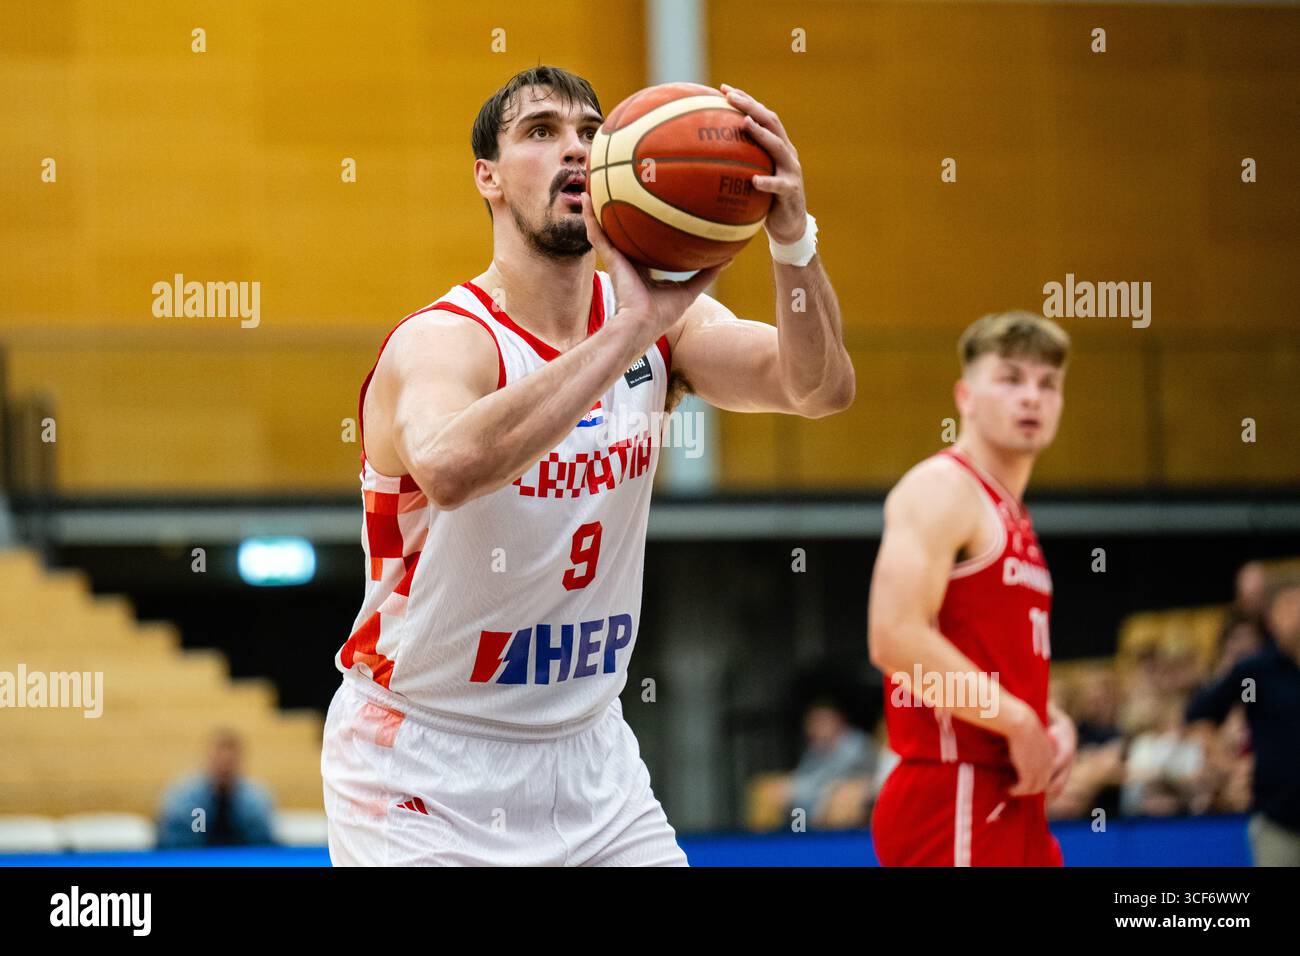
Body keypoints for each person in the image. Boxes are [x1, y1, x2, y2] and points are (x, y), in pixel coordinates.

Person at [320, 66, 855, 866]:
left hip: (590, 752)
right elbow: (451, 467)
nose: (574, 148)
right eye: (540, 131)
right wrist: (629, 336)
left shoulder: (658, 323)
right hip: (426, 756)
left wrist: (792, 237)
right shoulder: (444, 341)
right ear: (488, 178)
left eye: (588, 130)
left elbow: (819, 388)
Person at [867, 311, 1077, 866]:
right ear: (965, 395)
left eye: (1047, 384)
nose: (1031, 396)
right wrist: (1016, 719)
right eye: (1010, 379)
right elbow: (894, 640)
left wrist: (1049, 717)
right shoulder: (943, 487)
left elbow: (988, 653)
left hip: (1007, 797)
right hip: (951, 792)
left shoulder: (1012, 512)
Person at [1186, 580, 1300, 866]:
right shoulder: (1256, 670)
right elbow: (1199, 716)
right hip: (1278, 819)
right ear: (1271, 619)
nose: (1296, 614)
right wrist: (1229, 765)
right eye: (1287, 607)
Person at [157, 730, 275, 848]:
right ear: (207, 759)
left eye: (229, 762)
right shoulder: (183, 796)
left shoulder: (256, 799)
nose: (224, 768)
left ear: (240, 762)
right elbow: (176, 841)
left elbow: (261, 842)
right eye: (219, 761)